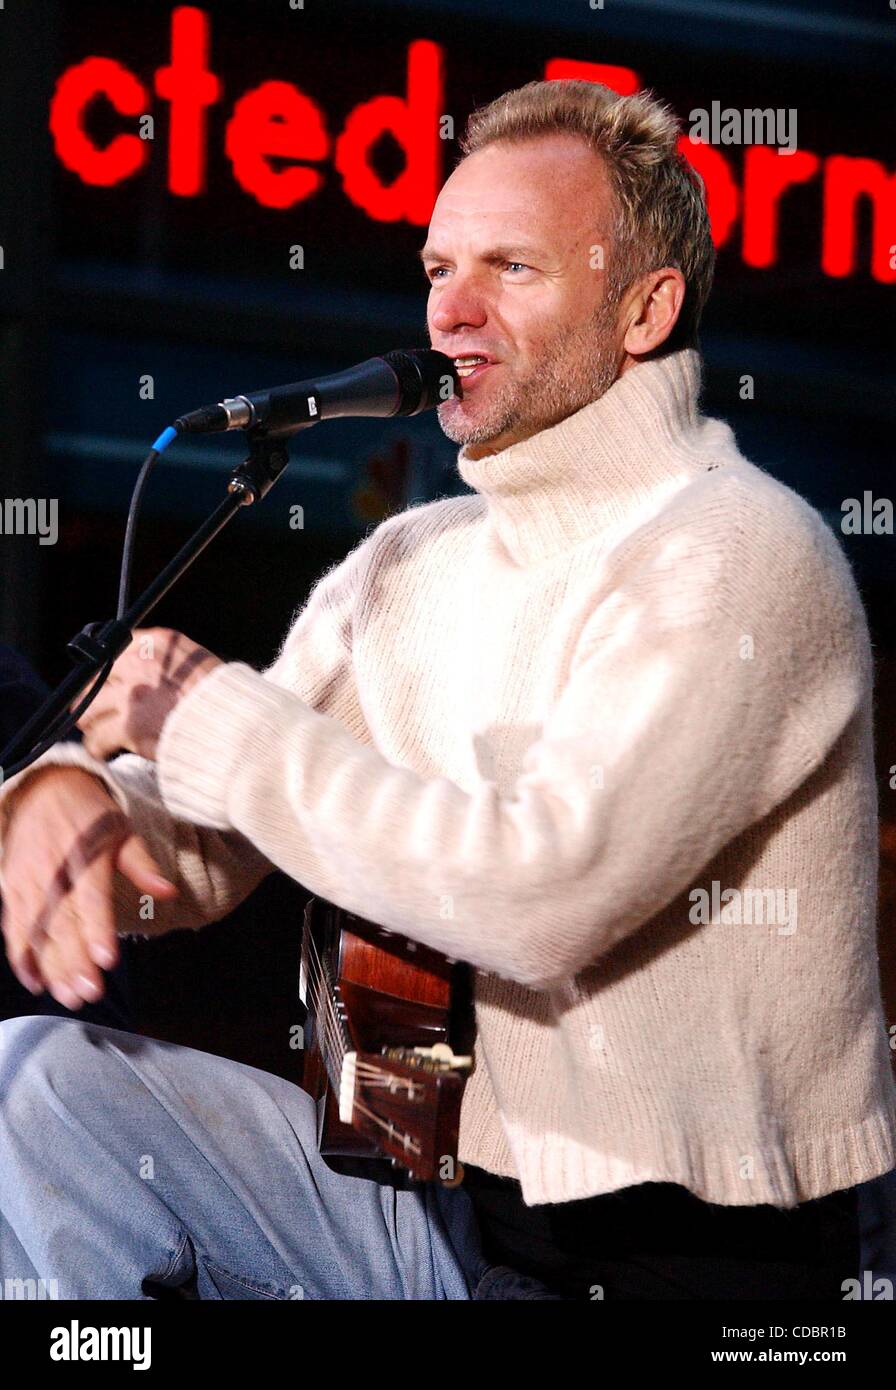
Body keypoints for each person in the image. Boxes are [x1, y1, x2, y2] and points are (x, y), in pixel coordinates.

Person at [0, 78, 893, 1301]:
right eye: (436, 266)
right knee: (38, 1086)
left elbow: (544, 891)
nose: (449, 310)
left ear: (644, 308)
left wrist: (208, 716)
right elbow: (209, 830)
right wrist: (75, 799)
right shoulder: (413, 563)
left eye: (510, 268)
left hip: (686, 1274)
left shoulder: (742, 552)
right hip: (450, 1232)